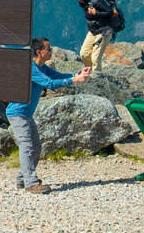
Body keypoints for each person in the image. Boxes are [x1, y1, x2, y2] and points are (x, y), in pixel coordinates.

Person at [6, 37, 86, 193]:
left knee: (36, 147)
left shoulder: (42, 67)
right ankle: (30, 183)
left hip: (26, 114)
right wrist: (74, 80)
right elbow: (50, 84)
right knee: (27, 146)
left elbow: (57, 76)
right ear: (39, 52)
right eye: (48, 49)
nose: (51, 51)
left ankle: (22, 179)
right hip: (17, 113)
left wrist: (77, 74)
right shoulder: (33, 69)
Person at [73, 0, 121, 76]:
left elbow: (110, 12)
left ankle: (98, 80)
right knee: (84, 54)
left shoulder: (96, 1)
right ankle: (90, 74)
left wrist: (96, 13)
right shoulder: (84, 1)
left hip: (105, 31)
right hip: (93, 30)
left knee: (95, 58)